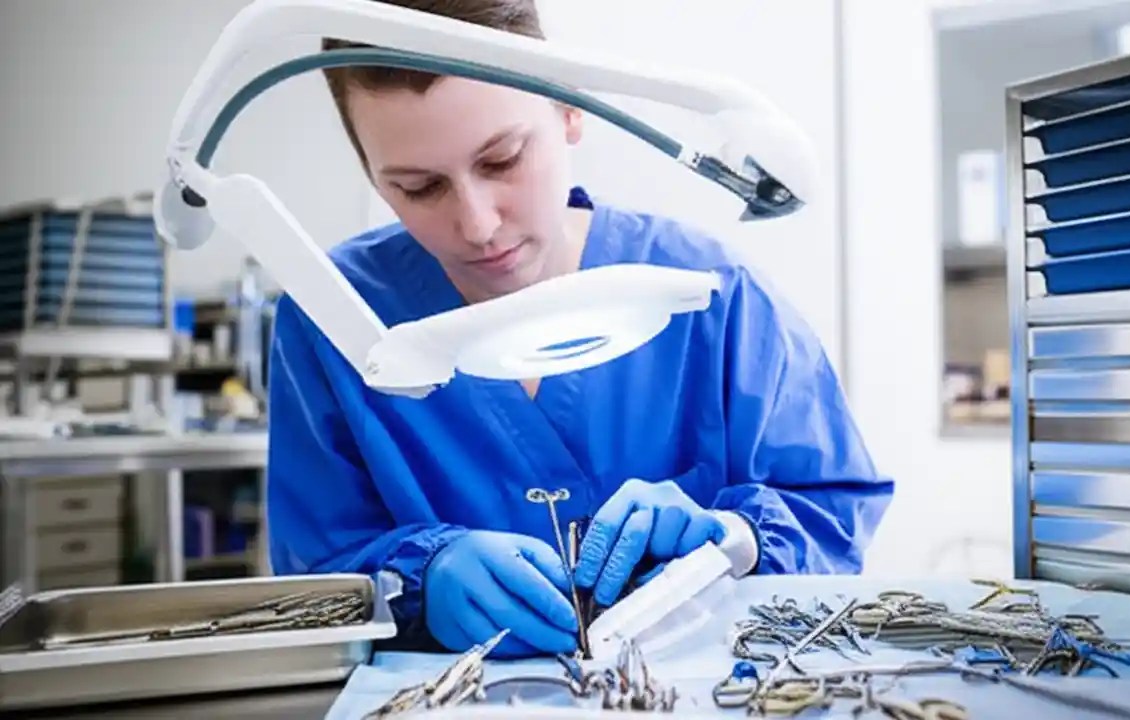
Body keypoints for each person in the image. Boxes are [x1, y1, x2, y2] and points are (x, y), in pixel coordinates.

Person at [266, 0, 894, 659]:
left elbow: (833, 508)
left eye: (502, 160)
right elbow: (316, 576)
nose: (477, 224)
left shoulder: (712, 294)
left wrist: (735, 538)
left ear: (570, 109)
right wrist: (422, 579)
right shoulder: (334, 316)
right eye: (419, 187)